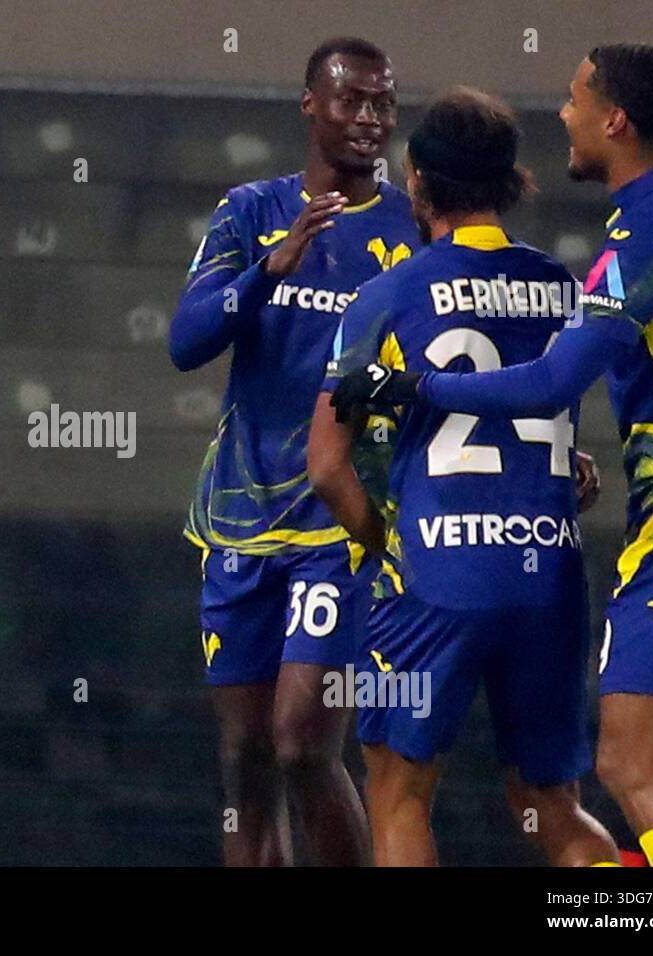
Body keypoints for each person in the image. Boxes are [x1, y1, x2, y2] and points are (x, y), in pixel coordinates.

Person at [334, 45, 653, 869]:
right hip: (560, 571)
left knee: (629, 762)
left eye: (576, 97)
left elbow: (551, 380)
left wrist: (415, 392)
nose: (564, 113)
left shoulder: (641, 236)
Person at [313, 88, 618, 866]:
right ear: (511, 181)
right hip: (548, 573)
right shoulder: (561, 285)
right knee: (554, 804)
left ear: (417, 180)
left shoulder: (385, 296)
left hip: (436, 578)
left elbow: (327, 465)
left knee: (399, 793)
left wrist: (389, 542)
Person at [169, 37, 418, 865]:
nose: (370, 119)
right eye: (352, 101)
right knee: (242, 760)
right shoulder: (250, 210)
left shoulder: (412, 225)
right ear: (311, 104)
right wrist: (270, 270)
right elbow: (186, 341)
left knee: (302, 742)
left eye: (383, 103)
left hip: (342, 516)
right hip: (240, 515)